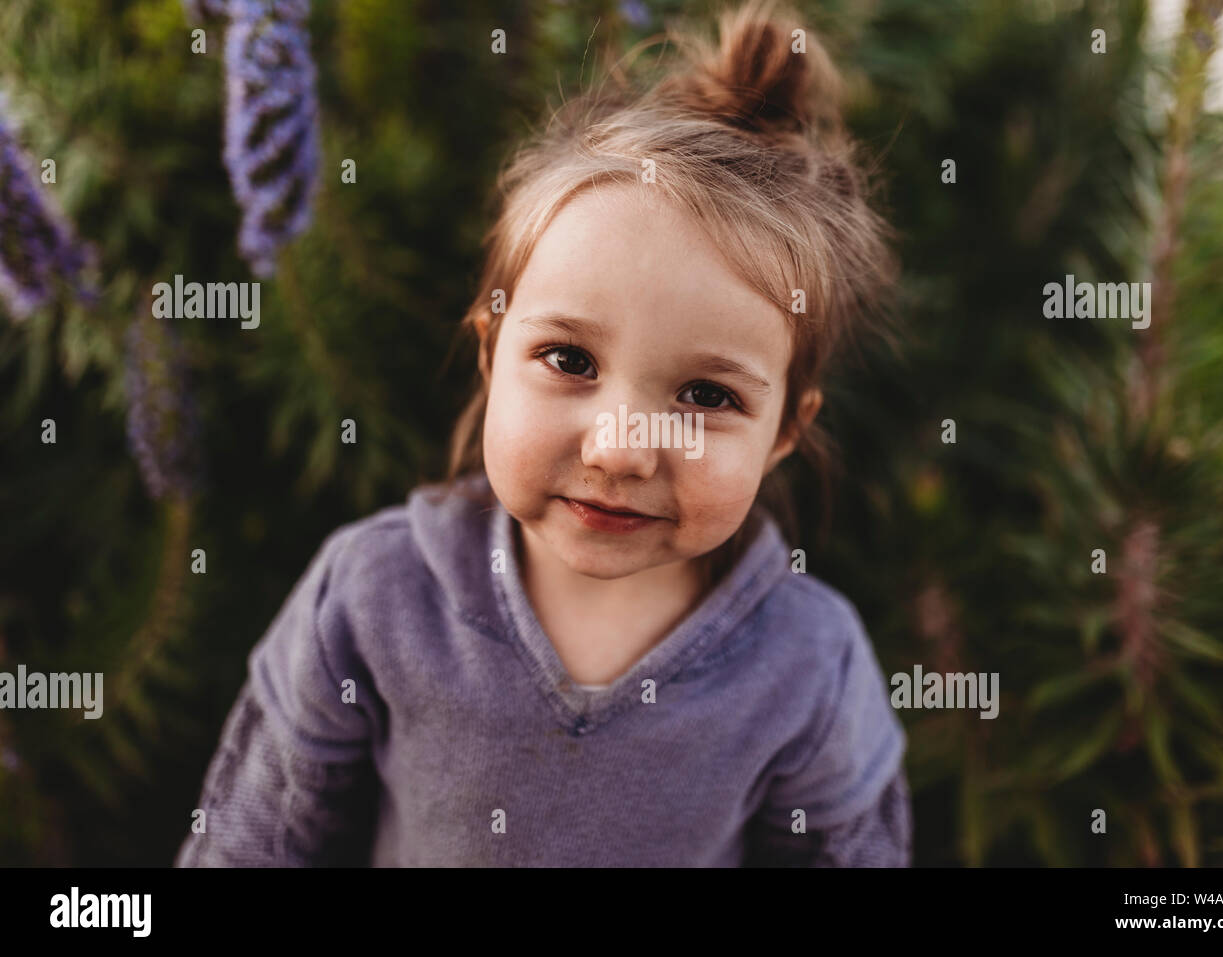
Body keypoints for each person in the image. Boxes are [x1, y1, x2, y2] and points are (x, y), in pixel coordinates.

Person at [176, 0, 908, 867]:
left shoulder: (808, 670)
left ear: (787, 428)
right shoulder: (374, 602)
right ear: (490, 354)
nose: (620, 447)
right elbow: (254, 846)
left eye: (707, 392)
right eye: (569, 360)